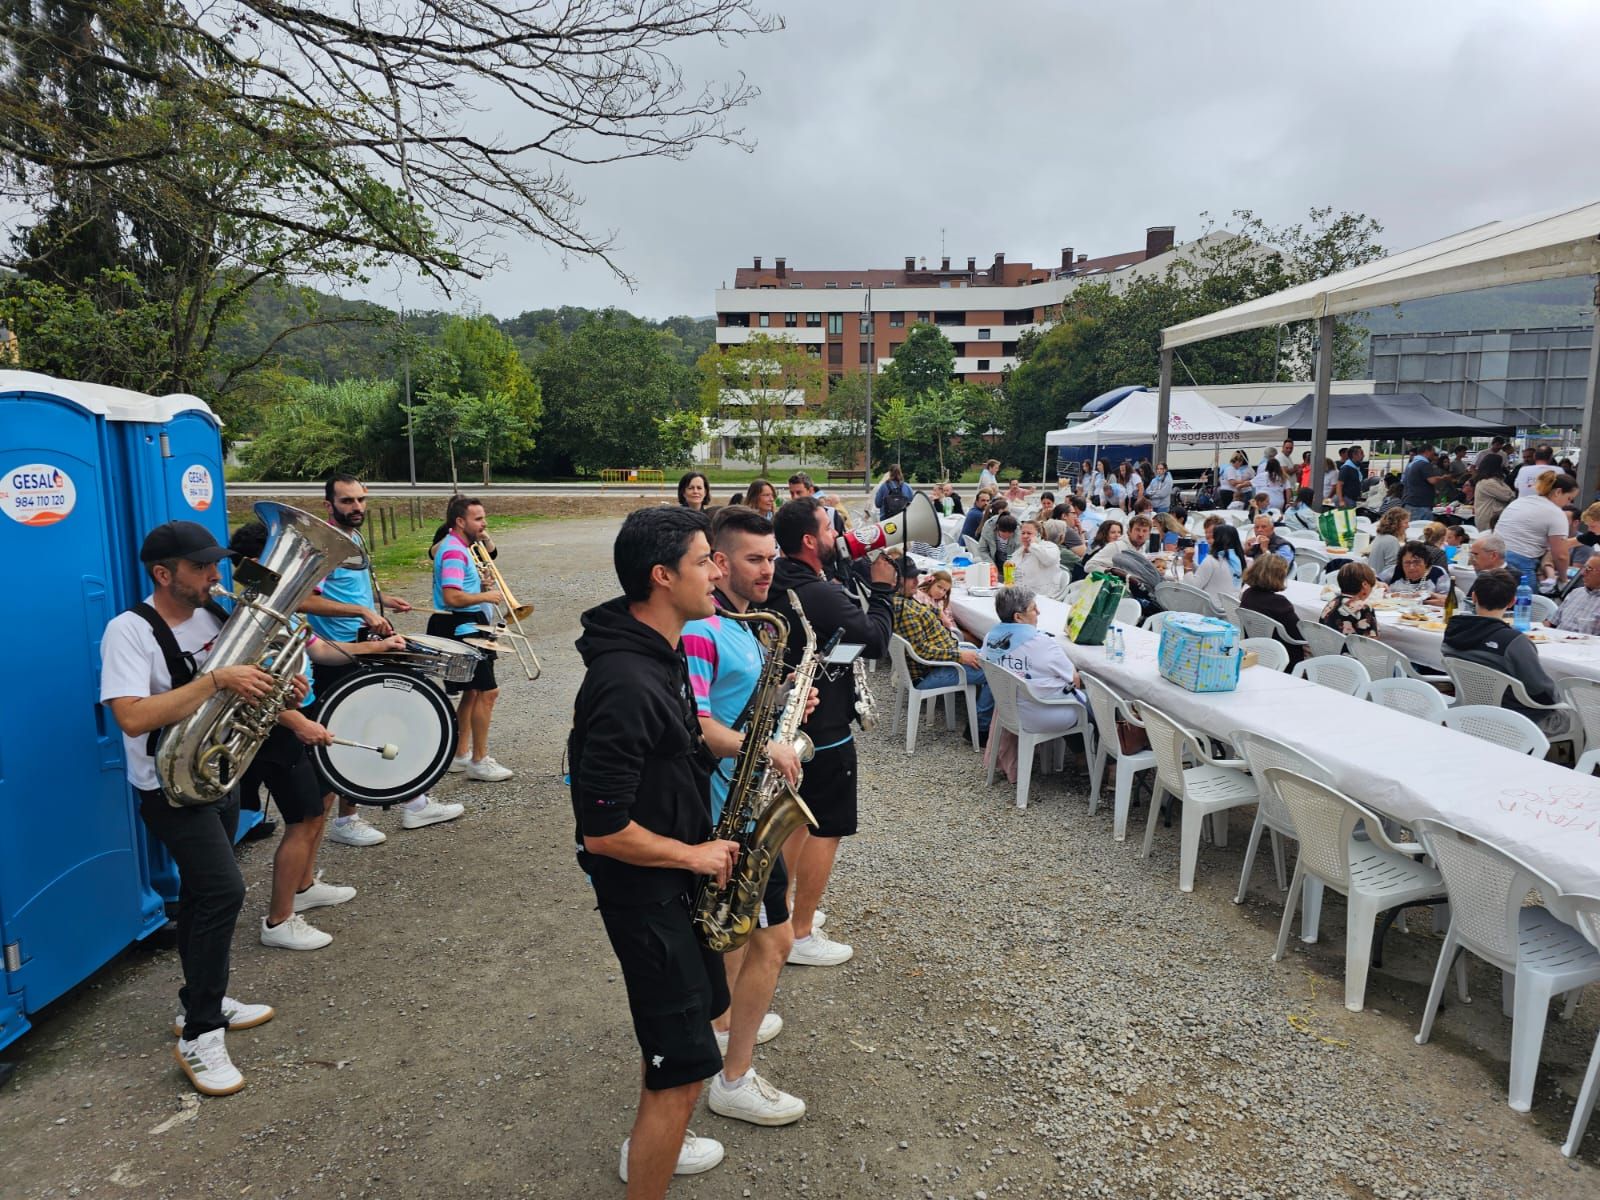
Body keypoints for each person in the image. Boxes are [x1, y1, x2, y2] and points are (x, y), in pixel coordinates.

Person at [571, 506, 740, 1192]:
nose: (719, 570)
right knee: (684, 1065)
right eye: (707, 559)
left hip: (672, 883)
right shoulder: (625, 683)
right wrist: (694, 856)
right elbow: (602, 830)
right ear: (662, 576)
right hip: (647, 895)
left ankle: (661, 1136)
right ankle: (652, 1159)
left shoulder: (659, 652)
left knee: (687, 1040)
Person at [100, 521, 279, 1096]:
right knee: (224, 891)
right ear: (163, 574)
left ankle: (200, 996)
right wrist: (216, 680)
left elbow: (247, 687)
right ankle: (200, 1034)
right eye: (202, 568)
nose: (215, 575)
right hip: (168, 788)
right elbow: (130, 716)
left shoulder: (215, 615)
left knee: (205, 895)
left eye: (215, 565)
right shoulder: (128, 631)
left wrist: (280, 695)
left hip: (218, 776)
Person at [680, 506, 810, 1128]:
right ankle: (733, 1077)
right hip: (728, 811)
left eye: (773, 558)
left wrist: (784, 702)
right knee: (773, 940)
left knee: (744, 938)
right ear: (722, 562)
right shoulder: (705, 630)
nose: (768, 570)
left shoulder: (746, 624)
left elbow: (739, 707)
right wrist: (768, 748)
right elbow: (699, 727)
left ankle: (729, 1023)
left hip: (745, 798)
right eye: (755, 560)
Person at [228, 521, 403, 951]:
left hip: (297, 712)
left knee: (322, 800)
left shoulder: (279, 604)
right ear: (257, 564)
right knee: (304, 817)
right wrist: (295, 718)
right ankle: (279, 919)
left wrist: (377, 649)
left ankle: (304, 886)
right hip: (275, 725)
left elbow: (317, 650)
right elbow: (247, 684)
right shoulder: (246, 608)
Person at [768, 497, 896, 967]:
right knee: (827, 827)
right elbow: (877, 641)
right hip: (824, 727)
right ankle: (800, 934)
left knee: (797, 819)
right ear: (808, 540)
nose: (835, 534)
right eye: (828, 528)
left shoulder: (783, 580)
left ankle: (783, 914)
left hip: (793, 723)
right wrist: (882, 590)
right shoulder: (820, 594)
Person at [301, 474, 456, 846]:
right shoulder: (323, 545)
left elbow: (352, 587)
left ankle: (413, 800)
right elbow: (303, 599)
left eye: (360, 500)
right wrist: (359, 610)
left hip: (360, 643)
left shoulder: (352, 537)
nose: (357, 508)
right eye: (347, 502)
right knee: (346, 728)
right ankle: (346, 820)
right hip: (335, 652)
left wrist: (383, 601)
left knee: (378, 715)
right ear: (328, 505)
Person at [430, 494, 513, 783]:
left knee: (473, 692)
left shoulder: (460, 548)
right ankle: (479, 760)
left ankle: (460, 754)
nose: (484, 523)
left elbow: (458, 588)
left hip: (466, 622)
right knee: (488, 692)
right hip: (461, 625)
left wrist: (479, 585)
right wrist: (486, 595)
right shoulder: (454, 550)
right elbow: (451, 596)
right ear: (460, 521)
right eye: (478, 519)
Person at [1444, 568, 1561, 728]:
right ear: (1512, 602)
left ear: (1474, 596)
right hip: (1515, 719)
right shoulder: (1514, 642)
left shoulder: (1453, 630)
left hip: (1467, 710)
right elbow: (1542, 692)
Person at [890, 557, 992, 736]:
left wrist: (958, 651)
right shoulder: (903, 609)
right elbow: (921, 651)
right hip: (931, 671)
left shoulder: (905, 600)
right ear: (896, 580)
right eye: (911, 578)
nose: (917, 581)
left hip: (942, 660)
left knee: (994, 660)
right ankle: (981, 729)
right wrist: (959, 656)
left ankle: (988, 727)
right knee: (997, 672)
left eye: (917, 577)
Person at [979, 586, 1085, 739]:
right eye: (1034, 609)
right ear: (1018, 617)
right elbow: (1074, 680)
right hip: (1040, 715)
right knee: (1088, 703)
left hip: (1007, 710)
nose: (1039, 612)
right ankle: (1091, 758)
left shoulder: (990, 637)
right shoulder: (1042, 642)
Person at [1495, 471, 1580, 579]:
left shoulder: (1520, 501)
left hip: (1492, 556)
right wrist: (1563, 579)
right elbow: (1561, 555)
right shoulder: (1556, 513)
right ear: (1558, 492)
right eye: (1569, 498)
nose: (1569, 504)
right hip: (1519, 562)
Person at [1239, 552, 1306, 662]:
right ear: (1278, 577)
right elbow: (1298, 634)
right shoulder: (1279, 603)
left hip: (1253, 647)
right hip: (1281, 655)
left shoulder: (1247, 594)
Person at [1320, 561, 1381, 638]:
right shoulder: (1364, 607)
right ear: (1365, 585)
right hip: (1349, 649)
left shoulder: (1333, 602)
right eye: (1372, 586)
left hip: (1326, 647)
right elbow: (1372, 639)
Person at [1009, 519, 1063, 596]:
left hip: (1044, 595)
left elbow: (1048, 560)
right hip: (1020, 595)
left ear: (1039, 535)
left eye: (1029, 533)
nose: (1025, 536)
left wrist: (1033, 545)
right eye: (1023, 533)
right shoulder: (1019, 552)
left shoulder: (1050, 547)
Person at [1192, 522, 1244, 602]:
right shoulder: (1239, 559)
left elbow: (1193, 588)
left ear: (1218, 539)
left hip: (1211, 609)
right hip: (1231, 609)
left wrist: (1187, 566)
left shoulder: (1212, 560)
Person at [1084, 514, 1150, 575]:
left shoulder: (1142, 548)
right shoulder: (1116, 546)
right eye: (1137, 530)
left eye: (1145, 531)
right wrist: (1112, 572)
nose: (1141, 534)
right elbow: (1089, 566)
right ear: (1129, 531)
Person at [1385, 542, 1450, 605]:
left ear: (1426, 562)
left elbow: (1447, 601)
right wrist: (1380, 584)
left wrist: (1424, 598)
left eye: (1417, 562)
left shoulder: (1438, 572)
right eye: (1407, 563)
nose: (1412, 567)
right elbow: (1376, 581)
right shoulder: (1396, 570)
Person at [1552, 555, 1600, 634]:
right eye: (1584, 568)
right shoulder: (1576, 593)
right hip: (1555, 640)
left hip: (1586, 645)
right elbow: (1551, 623)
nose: (1582, 573)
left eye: (1588, 569)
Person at [1470, 452, 1515, 531]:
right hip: (1489, 520)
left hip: (1490, 519)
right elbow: (1509, 496)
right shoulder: (1488, 482)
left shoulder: (1494, 480)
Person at [1366, 507, 1411, 582]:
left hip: (1374, 579)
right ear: (1396, 524)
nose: (1408, 526)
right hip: (1382, 583)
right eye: (1405, 523)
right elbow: (1391, 569)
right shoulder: (1391, 541)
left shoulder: (1379, 537)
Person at [1401, 445, 1446, 520]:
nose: (1434, 455)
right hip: (1420, 504)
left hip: (1409, 501)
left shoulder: (1411, 464)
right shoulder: (1424, 464)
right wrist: (1443, 478)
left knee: (1412, 528)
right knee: (1423, 529)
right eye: (1433, 452)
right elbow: (1432, 480)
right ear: (1427, 452)